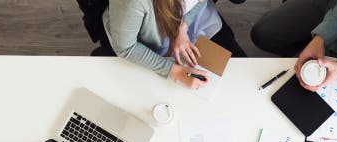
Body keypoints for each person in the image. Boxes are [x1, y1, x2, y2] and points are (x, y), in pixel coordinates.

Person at [101, 0, 247, 90]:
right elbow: (126, 47)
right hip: (144, 34)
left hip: (191, 20)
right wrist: (175, 71)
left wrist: (181, 27)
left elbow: (199, 2)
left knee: (239, 74)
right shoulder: (131, 3)